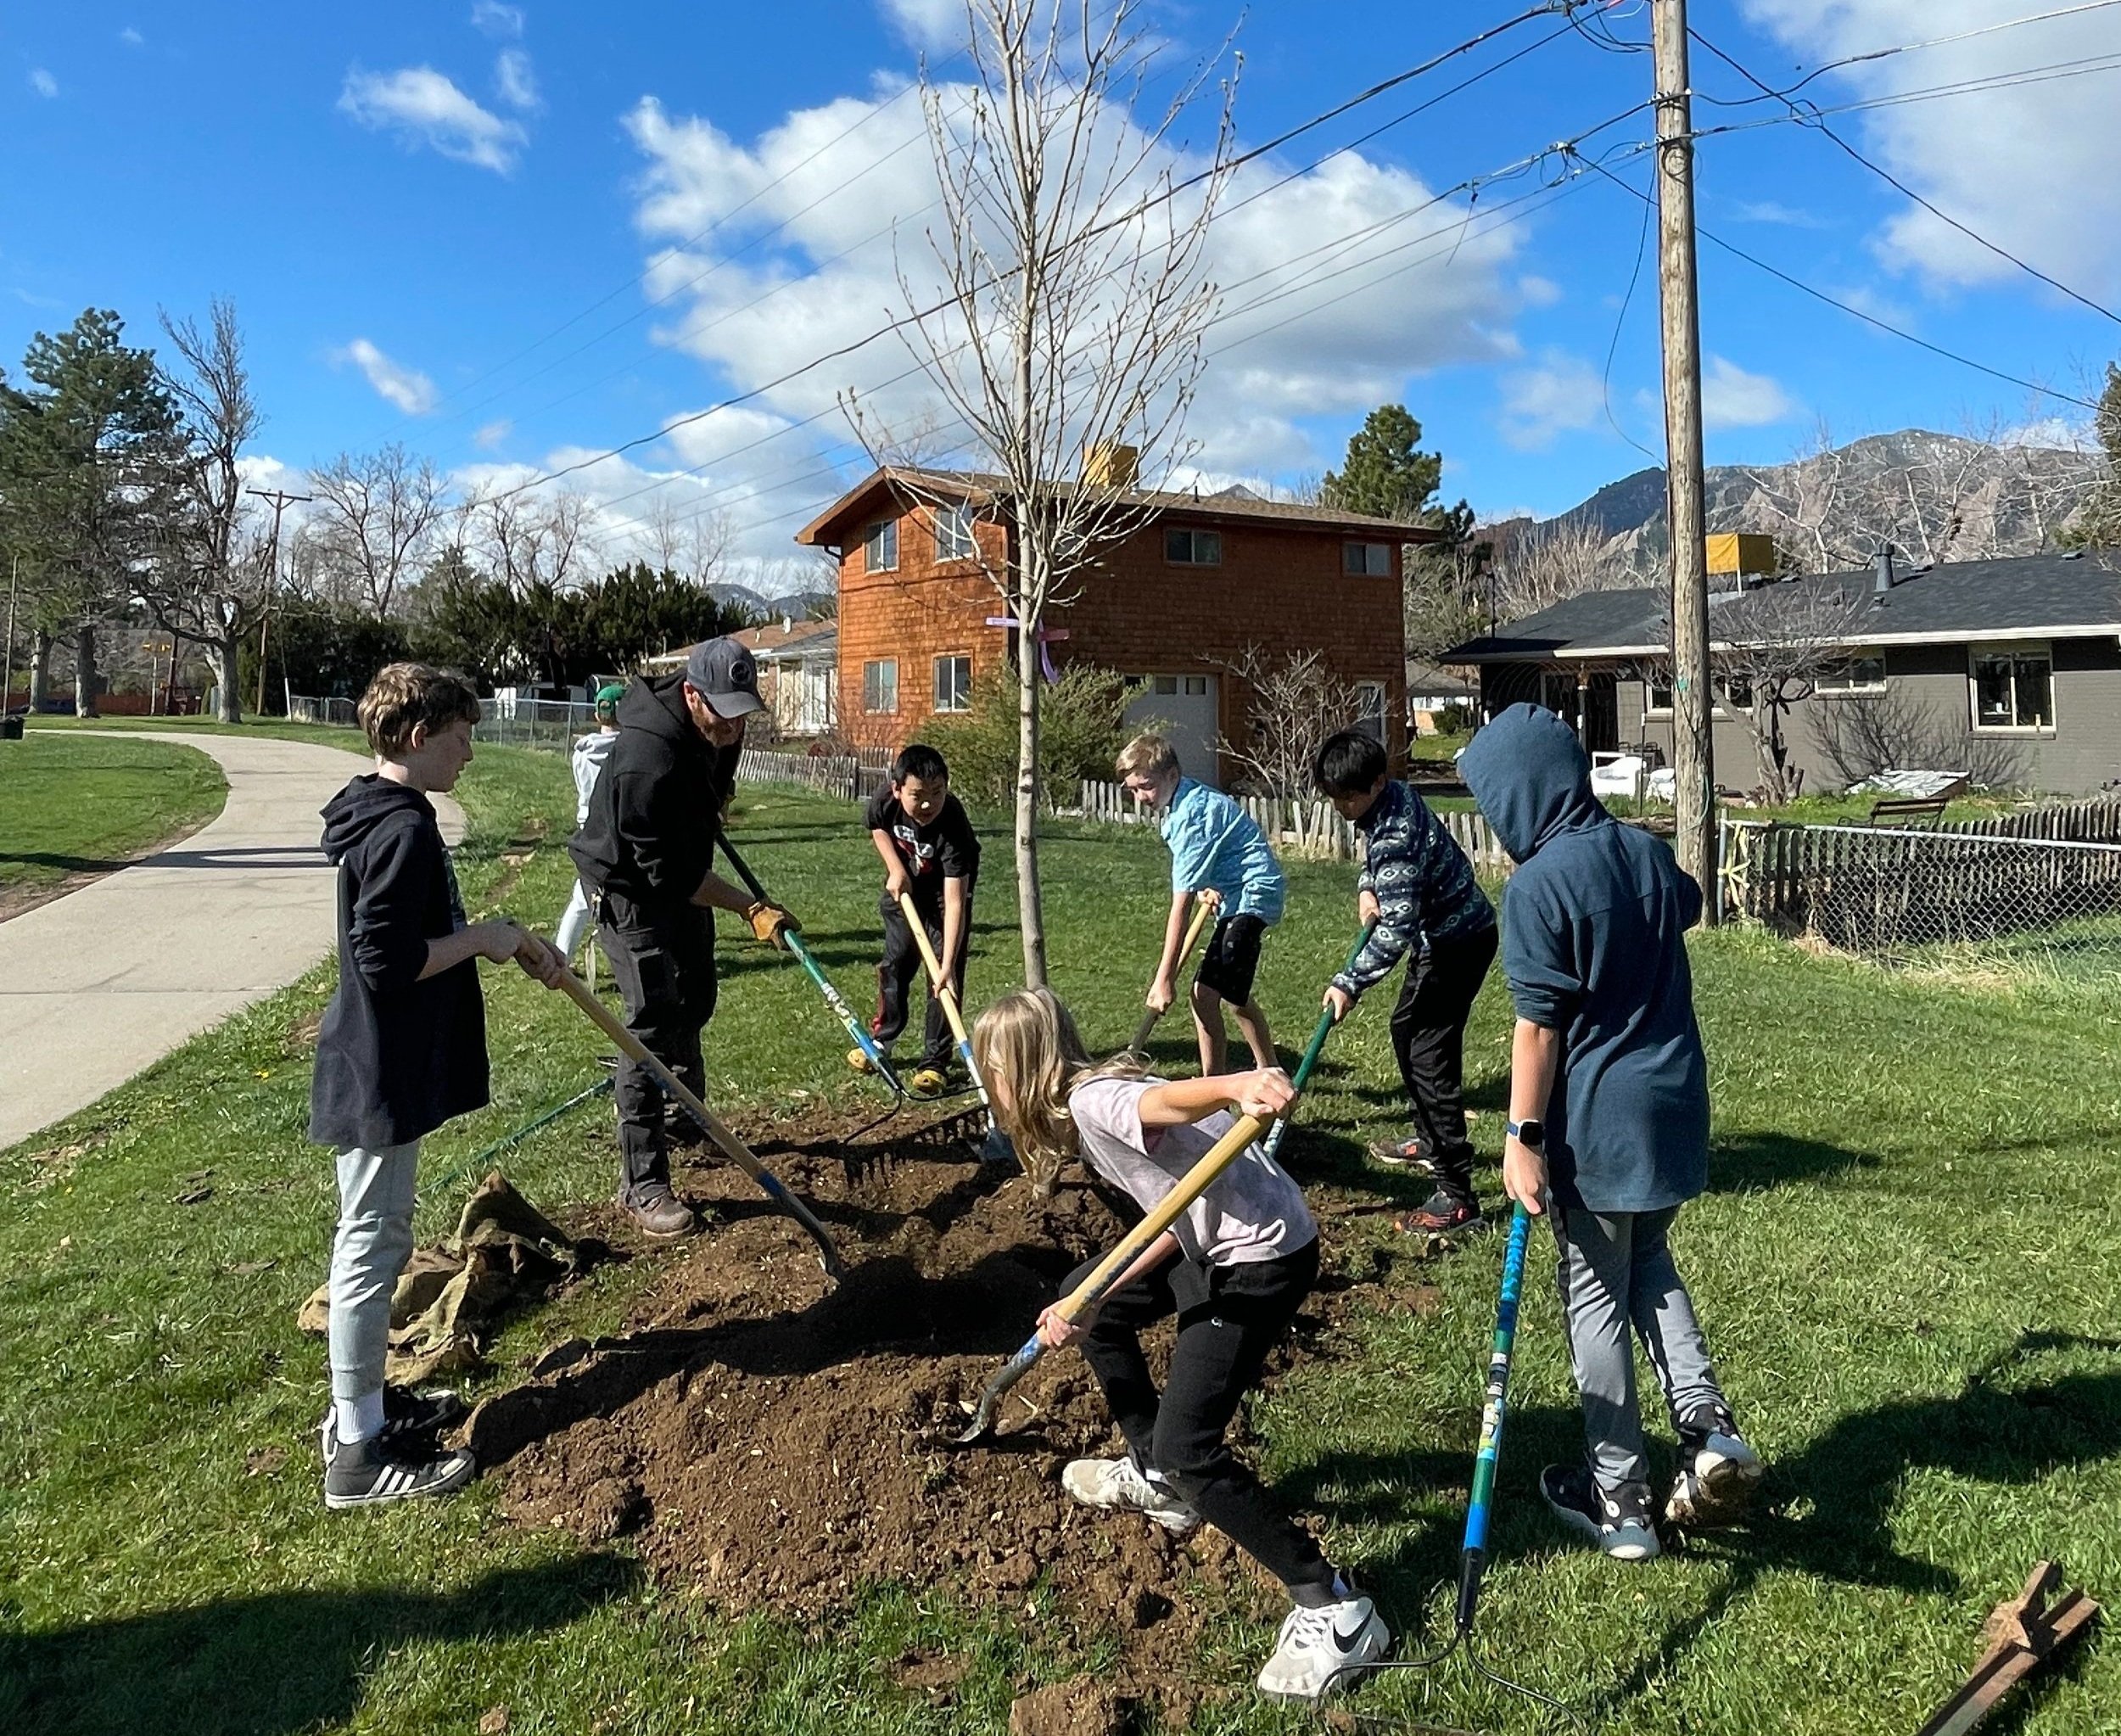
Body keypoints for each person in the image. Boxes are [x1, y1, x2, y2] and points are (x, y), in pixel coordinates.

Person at [971, 988, 1390, 1703]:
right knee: (1095, 1306)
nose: (989, 1093)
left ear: (1019, 1073)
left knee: (1189, 1445)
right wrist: (1089, 1295)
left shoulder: (1097, 1103)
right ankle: (1158, 1481)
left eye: (990, 1077)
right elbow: (1169, 1219)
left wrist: (1238, 1084)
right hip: (1211, 1242)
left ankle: (1335, 1607)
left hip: (1261, 1260)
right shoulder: (1088, 1100)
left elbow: (1161, 1104)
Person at [1459, 703, 1762, 1560]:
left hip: (1597, 1123)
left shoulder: (1538, 885)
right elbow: (1689, 900)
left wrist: (1521, 1136)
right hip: (1674, 1108)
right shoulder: (1642, 850)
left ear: (1521, 792)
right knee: (1648, 1266)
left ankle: (1620, 1498)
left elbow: (1539, 1030)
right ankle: (1707, 1429)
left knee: (1592, 1290)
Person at [309, 662, 566, 1509]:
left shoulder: (382, 809)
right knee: (373, 1245)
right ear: (421, 736)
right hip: (379, 1067)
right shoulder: (403, 832)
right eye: (462, 739)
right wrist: (485, 937)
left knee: (373, 1236)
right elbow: (386, 961)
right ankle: (356, 1449)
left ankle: (371, 1408)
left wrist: (506, 938)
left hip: (374, 1059)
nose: (470, 755)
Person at [568, 637, 797, 1240]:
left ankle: (683, 1112)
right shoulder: (647, 757)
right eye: (722, 712)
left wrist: (710, 806)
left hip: (682, 866)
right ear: (692, 693)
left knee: (696, 997)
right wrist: (750, 907)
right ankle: (643, 1183)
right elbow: (666, 877)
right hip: (628, 884)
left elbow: (716, 790)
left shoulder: (727, 722)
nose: (734, 725)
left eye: (742, 711)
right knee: (648, 1024)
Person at [1313, 728, 1497, 1231]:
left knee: (1427, 1057)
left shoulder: (1393, 832)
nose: (1342, 808)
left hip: (1456, 943)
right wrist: (1368, 884)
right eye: (1334, 798)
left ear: (1375, 784)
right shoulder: (1390, 796)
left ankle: (1458, 1198)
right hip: (1448, 935)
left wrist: (1350, 981)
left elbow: (1397, 928)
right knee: (1409, 1034)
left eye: (1349, 798)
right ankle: (1429, 1140)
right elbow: (1386, 871)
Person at [1115, 732, 1285, 1074]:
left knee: (1210, 995)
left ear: (1172, 775)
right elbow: (1217, 850)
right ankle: (1255, 1073)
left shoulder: (1191, 817)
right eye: (1132, 789)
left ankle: (1231, 1081)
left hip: (1252, 894)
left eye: (1145, 786)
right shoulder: (1183, 801)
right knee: (1224, 995)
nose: (1140, 797)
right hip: (1231, 892)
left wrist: (1164, 979)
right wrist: (1210, 883)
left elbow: (1181, 907)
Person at [853, 741, 979, 1096]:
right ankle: (882, 1040)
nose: (928, 804)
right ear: (897, 790)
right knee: (895, 962)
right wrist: (895, 868)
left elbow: (955, 903)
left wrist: (948, 963)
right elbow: (876, 825)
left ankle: (934, 1062)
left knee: (943, 978)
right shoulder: (885, 800)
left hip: (944, 895)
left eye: (937, 793)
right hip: (904, 888)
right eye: (918, 795)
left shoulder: (954, 827)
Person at [554, 682, 626, 963]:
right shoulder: (625, 750)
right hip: (615, 828)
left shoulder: (581, 752)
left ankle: (562, 953)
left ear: (598, 716)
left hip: (587, 828)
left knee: (583, 897)